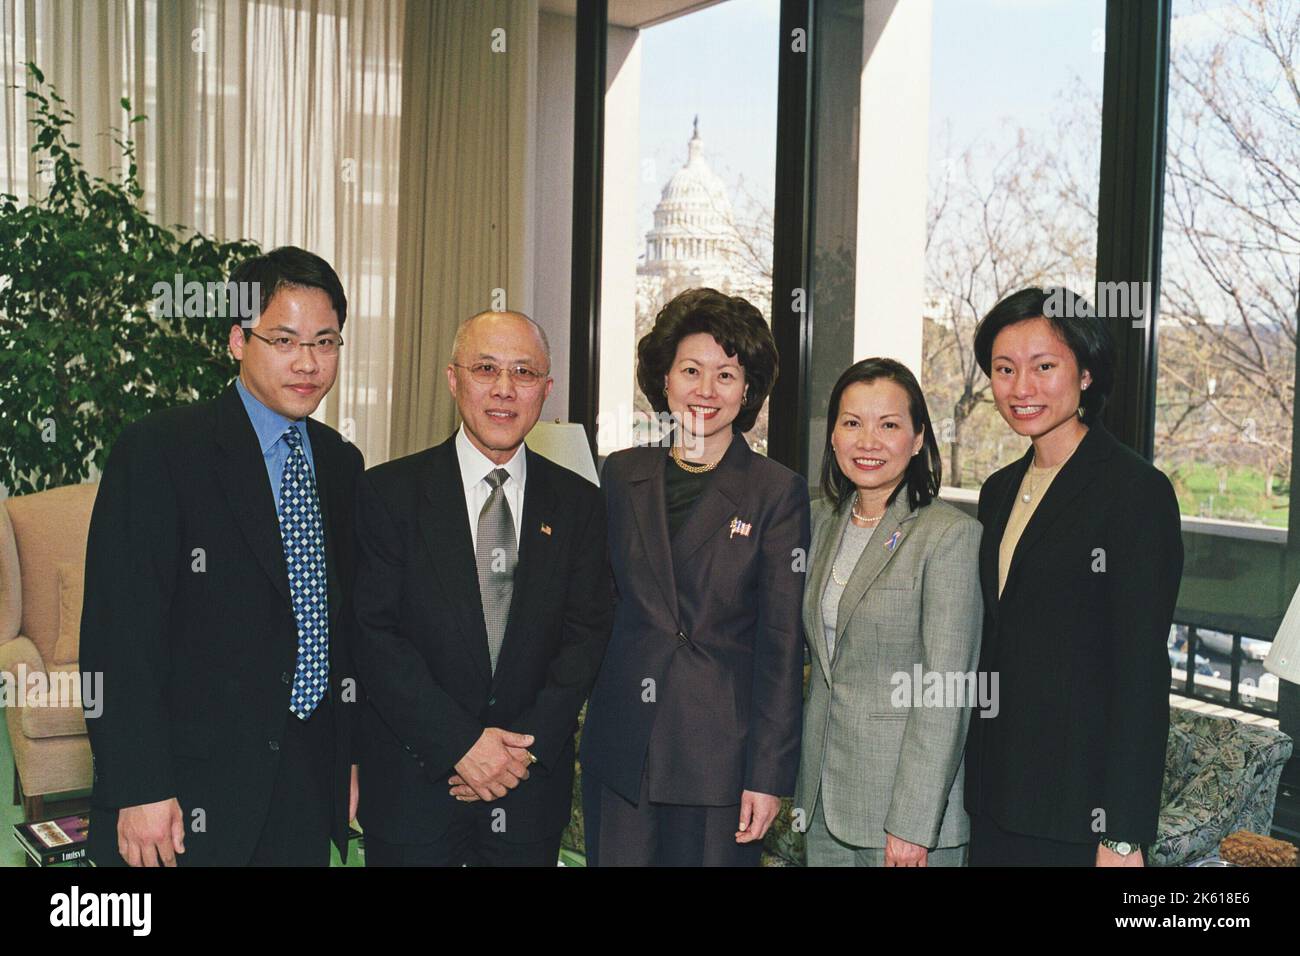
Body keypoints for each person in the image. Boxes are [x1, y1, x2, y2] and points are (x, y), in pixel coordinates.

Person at [81, 246, 363, 866]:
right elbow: (117, 635)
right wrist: (140, 788)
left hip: (304, 781)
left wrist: (346, 756)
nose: (308, 363)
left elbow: (341, 627)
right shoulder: (160, 453)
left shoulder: (341, 464)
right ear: (238, 340)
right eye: (284, 340)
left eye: (326, 342)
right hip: (187, 791)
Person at [352, 310, 613, 866]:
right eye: (485, 368)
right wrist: (460, 747)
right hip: (414, 787)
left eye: (523, 372)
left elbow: (585, 638)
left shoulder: (581, 505)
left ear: (546, 389)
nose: (503, 389)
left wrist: (515, 755)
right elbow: (374, 637)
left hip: (527, 792)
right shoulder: (387, 493)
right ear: (453, 379)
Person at [579, 287, 810, 867]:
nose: (706, 391)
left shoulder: (775, 491)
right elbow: (592, 612)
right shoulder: (621, 473)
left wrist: (767, 775)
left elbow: (781, 646)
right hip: (622, 746)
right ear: (664, 380)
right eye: (691, 370)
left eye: (726, 375)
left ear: (748, 390)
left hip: (718, 759)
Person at [964, 286, 1183, 866]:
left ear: (1085, 373)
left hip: (1077, 811)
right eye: (1004, 369)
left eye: (1044, 366)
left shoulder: (1135, 492)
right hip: (993, 799)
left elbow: (1140, 672)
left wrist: (1122, 833)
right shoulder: (1000, 490)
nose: (1021, 388)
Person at [797, 358, 982, 866]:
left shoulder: (948, 536)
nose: (867, 441)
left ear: (919, 437)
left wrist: (912, 824)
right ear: (833, 435)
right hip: (821, 803)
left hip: (903, 821)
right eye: (852, 423)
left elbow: (946, 692)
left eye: (889, 425)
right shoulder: (818, 524)